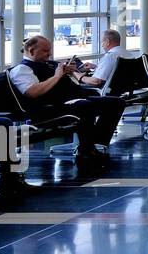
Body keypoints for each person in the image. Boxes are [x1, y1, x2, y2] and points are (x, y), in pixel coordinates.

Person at [7, 35, 128, 171]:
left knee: (116, 103)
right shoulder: (21, 69)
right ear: (31, 50)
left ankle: (96, 143)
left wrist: (71, 74)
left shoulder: (50, 65)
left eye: (50, 50)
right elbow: (33, 92)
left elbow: (68, 85)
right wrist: (58, 75)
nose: (49, 54)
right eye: (45, 51)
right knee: (85, 106)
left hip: (71, 100)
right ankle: (87, 149)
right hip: (49, 107)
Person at [78, 28, 126, 93]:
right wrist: (96, 67)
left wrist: (79, 76)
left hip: (107, 91)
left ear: (107, 42)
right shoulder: (127, 54)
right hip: (124, 88)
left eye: (102, 42)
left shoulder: (110, 56)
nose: (102, 45)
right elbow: (116, 70)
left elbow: (96, 81)